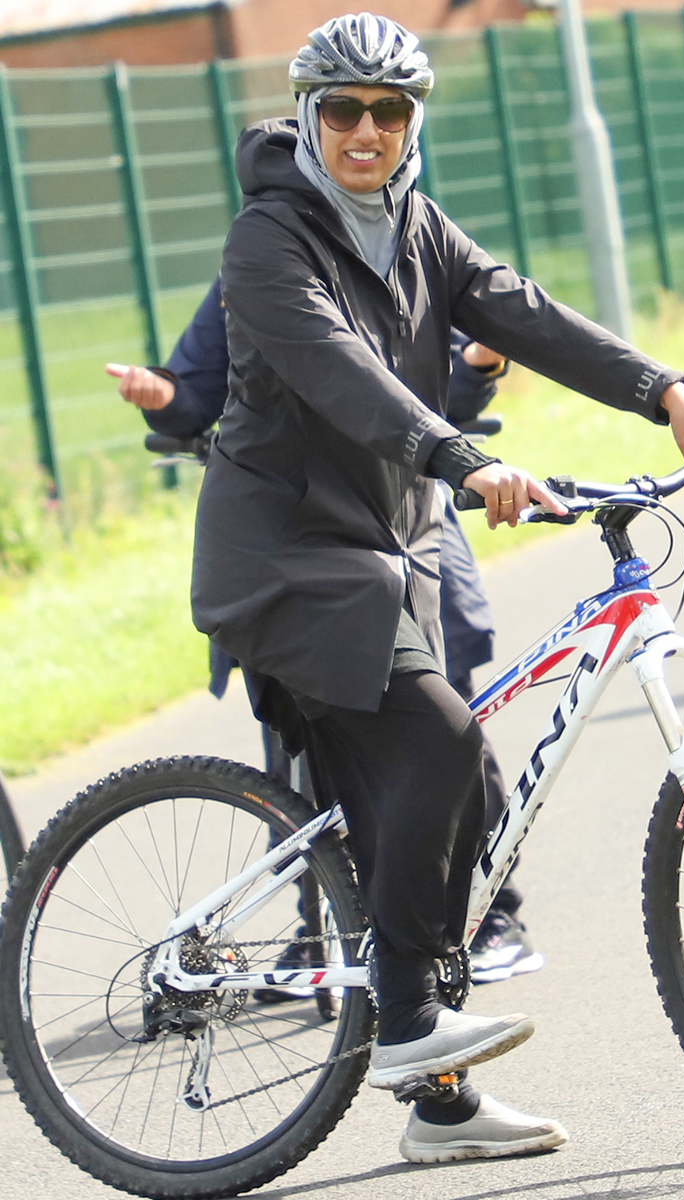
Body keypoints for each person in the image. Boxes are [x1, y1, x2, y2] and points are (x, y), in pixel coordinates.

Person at [190, 14, 684, 1164]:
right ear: (309, 116)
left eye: (390, 111)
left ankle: (441, 1106)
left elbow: (523, 310)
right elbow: (341, 375)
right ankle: (408, 1021)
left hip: (382, 558)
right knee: (446, 748)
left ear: (414, 124)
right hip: (288, 560)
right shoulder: (268, 241)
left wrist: (674, 398)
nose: (366, 131)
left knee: (457, 801)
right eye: (344, 110)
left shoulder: (416, 226)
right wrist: (461, 459)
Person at [109, 289, 544, 986]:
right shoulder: (257, 267)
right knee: (297, 747)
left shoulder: (404, 264)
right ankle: (326, 927)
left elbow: (446, 405)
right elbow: (192, 395)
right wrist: (160, 393)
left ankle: (485, 914)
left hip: (404, 531)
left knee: (445, 729)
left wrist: (481, 362)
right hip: (295, 549)